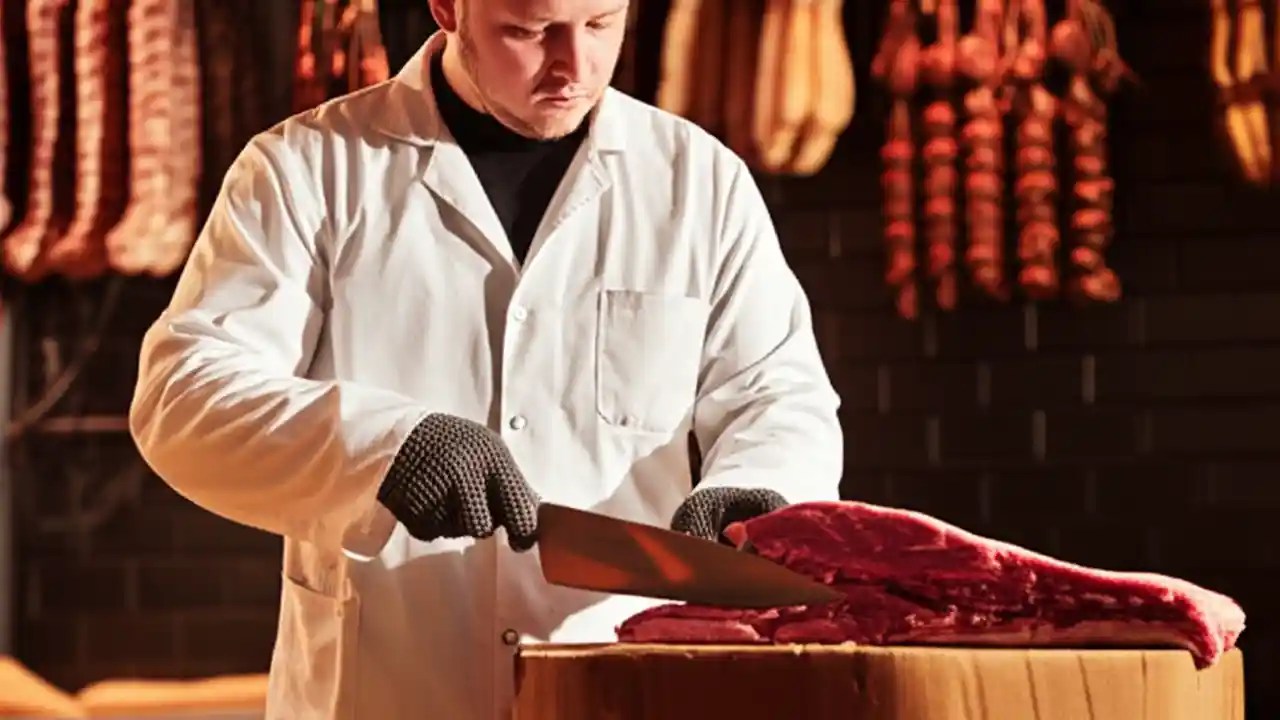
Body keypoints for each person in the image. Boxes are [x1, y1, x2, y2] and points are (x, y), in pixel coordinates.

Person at [127, 0, 844, 717]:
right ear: (447, 8)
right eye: (530, 32)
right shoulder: (308, 169)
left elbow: (778, 393)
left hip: (618, 681)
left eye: (600, 24)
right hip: (388, 686)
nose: (574, 67)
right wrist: (387, 447)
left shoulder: (700, 183)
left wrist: (759, 493)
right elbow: (183, 393)